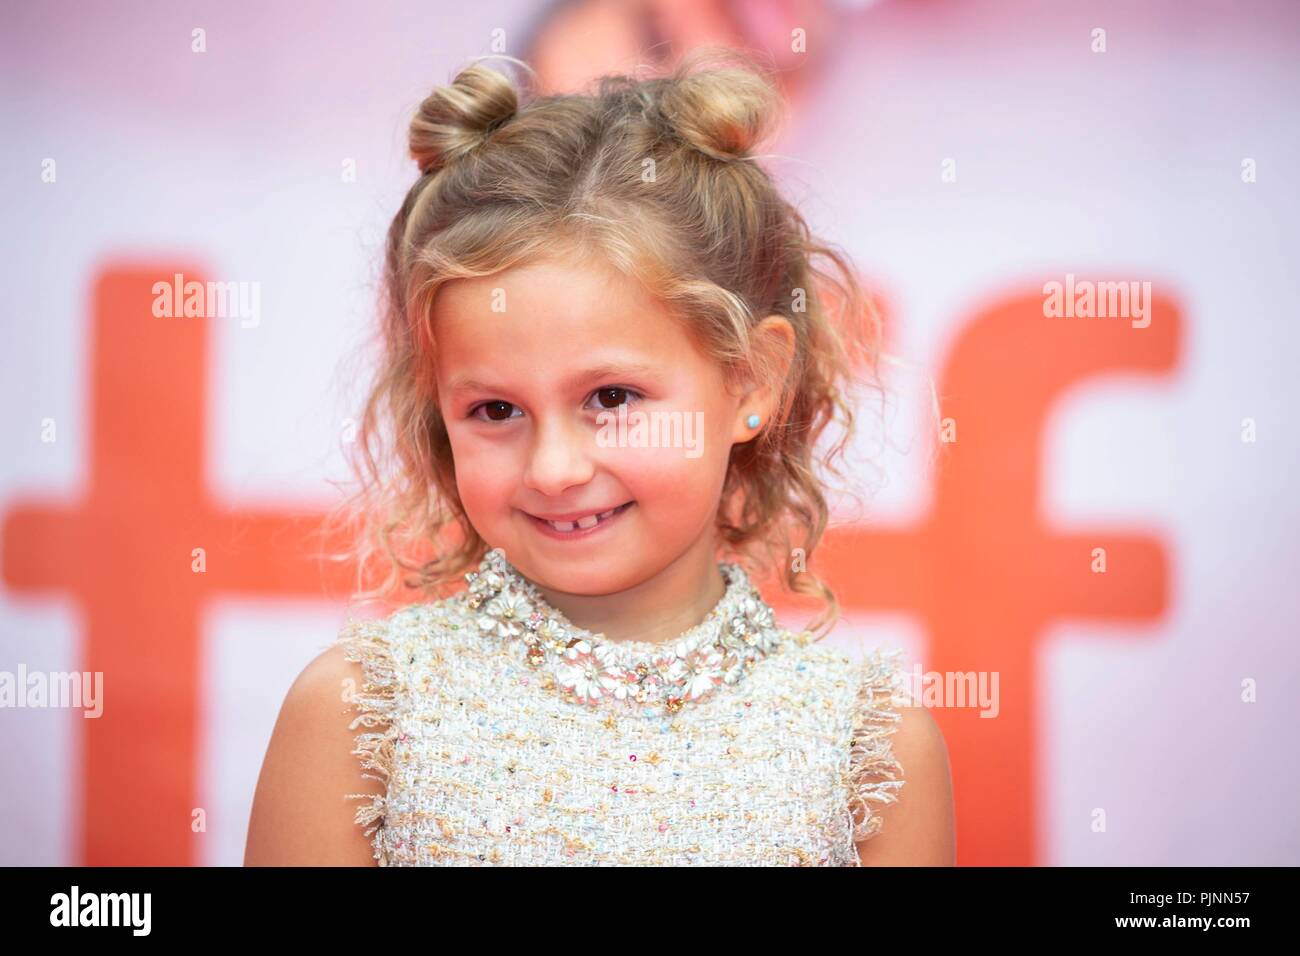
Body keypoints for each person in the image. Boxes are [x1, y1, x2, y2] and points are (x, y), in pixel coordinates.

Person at [245, 47, 954, 866]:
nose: (553, 469)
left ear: (754, 378)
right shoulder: (363, 713)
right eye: (495, 410)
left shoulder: (870, 749)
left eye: (612, 398)